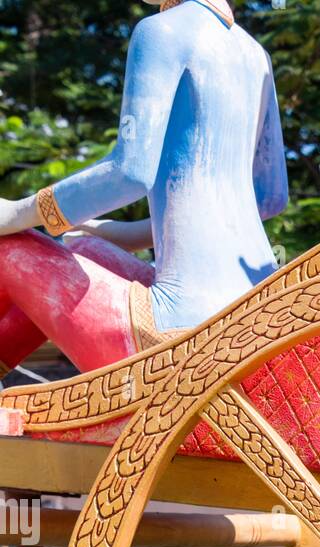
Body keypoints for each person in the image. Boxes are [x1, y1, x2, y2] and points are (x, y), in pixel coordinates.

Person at [0, 0, 287, 376]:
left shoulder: (162, 31)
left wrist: (17, 212)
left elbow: (130, 174)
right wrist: (97, 228)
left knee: (9, 249)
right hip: (252, 326)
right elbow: (270, 198)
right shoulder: (255, 55)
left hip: (177, 333)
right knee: (88, 248)